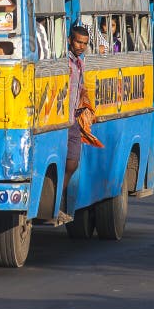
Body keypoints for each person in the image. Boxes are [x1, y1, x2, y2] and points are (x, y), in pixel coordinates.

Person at [61, 25, 90, 223]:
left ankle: (58, 201)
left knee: (72, 162)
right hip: (60, 118)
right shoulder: (65, 61)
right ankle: (56, 205)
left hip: (74, 118)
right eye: (78, 42)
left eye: (85, 43)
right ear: (70, 40)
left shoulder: (79, 62)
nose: (81, 46)